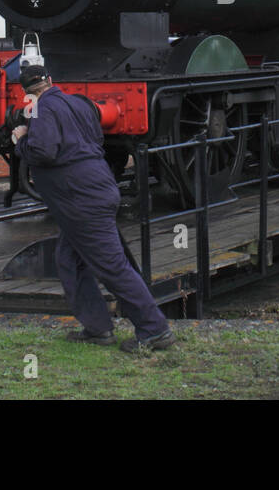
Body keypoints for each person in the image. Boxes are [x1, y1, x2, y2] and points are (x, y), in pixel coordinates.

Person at [11, 64, 176, 353]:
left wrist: (22, 139)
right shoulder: (77, 102)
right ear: (50, 80)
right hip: (93, 190)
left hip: (80, 200)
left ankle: (155, 329)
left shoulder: (41, 110)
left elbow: (43, 152)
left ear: (25, 91)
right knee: (69, 260)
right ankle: (97, 328)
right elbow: (97, 140)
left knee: (112, 266)